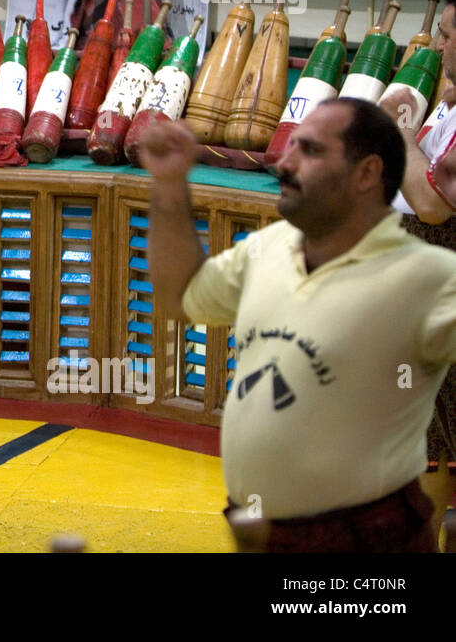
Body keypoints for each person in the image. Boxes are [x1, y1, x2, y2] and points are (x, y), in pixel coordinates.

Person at [140, 99, 456, 552]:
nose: (285, 163)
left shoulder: (426, 278)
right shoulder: (270, 247)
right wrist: (169, 186)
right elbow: (181, 297)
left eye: (310, 151)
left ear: (366, 174)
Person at [380, 0, 456, 546]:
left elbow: (431, 201)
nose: (440, 46)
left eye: (449, 36)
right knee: (430, 445)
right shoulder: (449, 103)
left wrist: (401, 131)